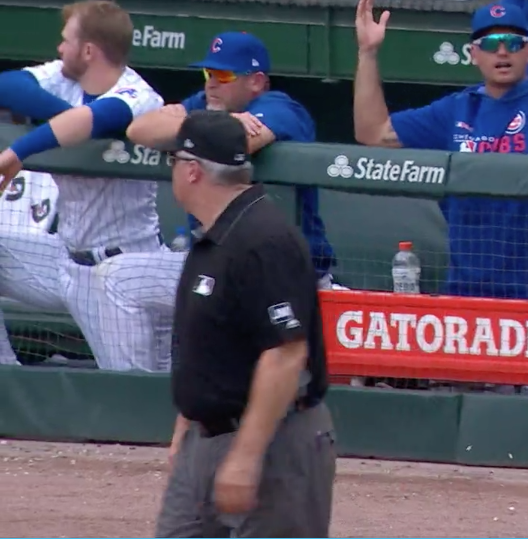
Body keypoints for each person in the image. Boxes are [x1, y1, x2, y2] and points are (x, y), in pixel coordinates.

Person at [155, 110, 336, 537]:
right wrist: (189, 422)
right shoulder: (214, 235)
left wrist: (246, 455)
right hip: (206, 439)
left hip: (274, 442)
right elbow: (209, 345)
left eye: (173, 161)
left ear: (193, 171)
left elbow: (286, 353)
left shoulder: (262, 239)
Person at [0, 0, 172, 371]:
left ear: (89, 50)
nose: (60, 49)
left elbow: (105, 116)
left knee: (135, 404)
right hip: (64, 262)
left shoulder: (140, 97)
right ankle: (7, 377)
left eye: (66, 41)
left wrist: (18, 152)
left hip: (123, 267)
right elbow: (7, 85)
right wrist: (72, 123)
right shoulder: (67, 78)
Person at [353, 0, 528, 300]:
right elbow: (372, 132)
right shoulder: (457, 108)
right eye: (490, 44)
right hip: (465, 284)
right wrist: (368, 53)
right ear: (474, 54)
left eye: (514, 43)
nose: (502, 51)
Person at [126, 31, 340, 288]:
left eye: (224, 76)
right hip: (218, 267)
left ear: (256, 82)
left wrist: (185, 126)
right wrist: (198, 122)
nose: (212, 84)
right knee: (121, 279)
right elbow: (139, 130)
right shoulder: (205, 106)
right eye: (208, 74)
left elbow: (235, 143)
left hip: (290, 277)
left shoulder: (282, 108)